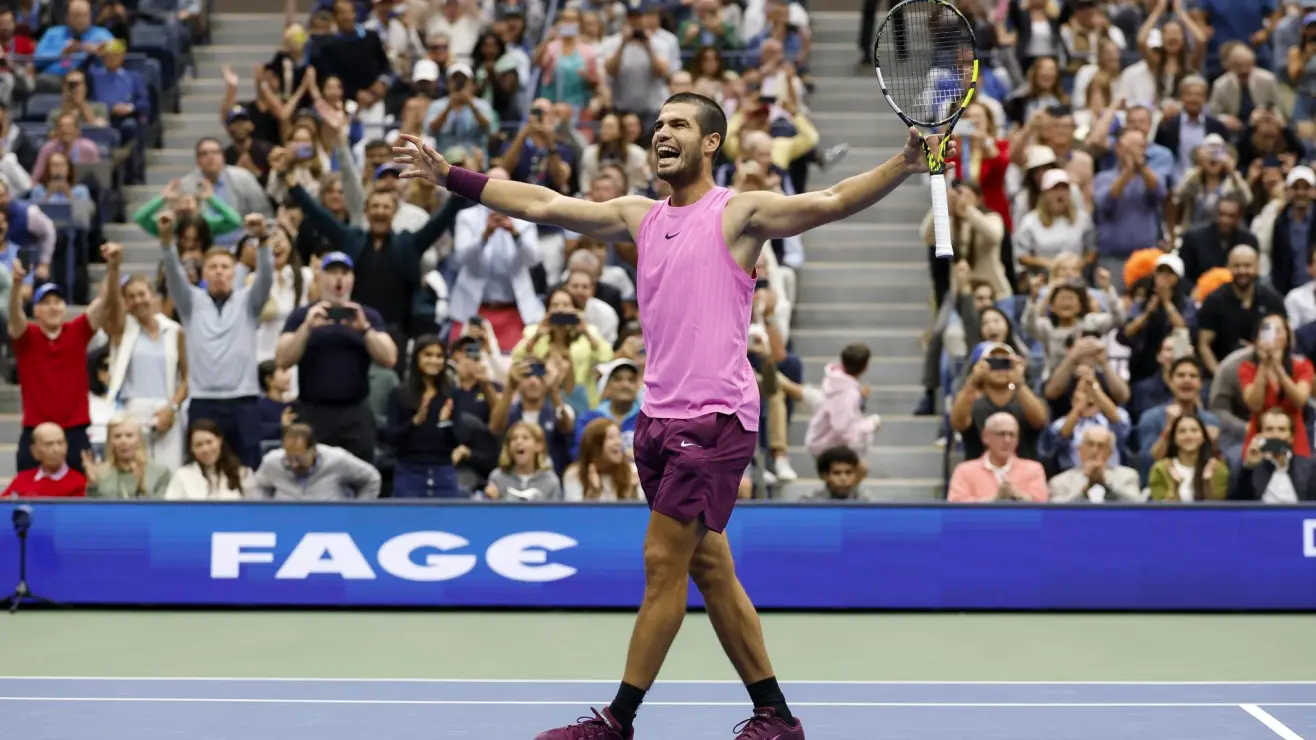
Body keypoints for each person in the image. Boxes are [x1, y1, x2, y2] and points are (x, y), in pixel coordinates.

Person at [393, 90, 953, 739]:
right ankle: (775, 715)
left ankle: (617, 720)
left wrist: (904, 163)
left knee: (663, 562)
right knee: (709, 567)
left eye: (679, 125)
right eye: (658, 123)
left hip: (714, 418)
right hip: (657, 422)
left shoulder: (739, 213)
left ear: (711, 142)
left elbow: (829, 202)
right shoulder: (639, 216)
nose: (663, 132)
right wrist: (453, 178)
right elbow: (543, 204)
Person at [164, 213, 274, 469]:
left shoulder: (249, 302)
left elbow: (266, 278)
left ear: (234, 272)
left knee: (248, 469)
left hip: (244, 399)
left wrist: (263, 240)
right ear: (204, 273)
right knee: (201, 471)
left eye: (225, 267)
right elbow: (172, 273)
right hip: (204, 400)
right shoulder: (190, 302)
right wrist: (167, 241)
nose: (219, 273)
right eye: (213, 267)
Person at [276, 251, 398, 463]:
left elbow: (389, 358)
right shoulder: (302, 315)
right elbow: (282, 360)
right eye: (332, 272)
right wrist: (306, 328)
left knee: (361, 478)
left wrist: (366, 330)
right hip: (313, 412)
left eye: (345, 273)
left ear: (352, 279)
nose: (339, 279)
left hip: (355, 412)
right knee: (312, 479)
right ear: (320, 277)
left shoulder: (366, 315)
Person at [8, 243, 119, 474]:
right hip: (36, 430)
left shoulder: (76, 331)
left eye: (57, 302)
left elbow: (103, 302)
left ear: (64, 308)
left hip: (75, 430)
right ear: (36, 311)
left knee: (80, 498)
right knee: (28, 495)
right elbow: (15, 316)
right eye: (45, 303)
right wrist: (17, 284)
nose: (52, 307)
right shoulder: (27, 335)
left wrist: (113, 267)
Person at [384, 334, 462, 498]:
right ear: (416, 358)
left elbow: (457, 440)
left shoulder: (450, 394)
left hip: (443, 471)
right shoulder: (399, 394)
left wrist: (445, 423)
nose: (434, 360)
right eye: (428, 355)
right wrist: (414, 421)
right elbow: (392, 438)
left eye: (439, 356)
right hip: (409, 471)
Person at [252, 423, 382, 500]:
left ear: (313, 449)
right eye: (289, 458)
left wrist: (358, 512)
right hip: (284, 522)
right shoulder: (272, 462)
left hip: (330, 524)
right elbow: (257, 486)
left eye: (299, 459)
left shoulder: (337, 459)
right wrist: (266, 513)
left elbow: (372, 479)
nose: (294, 464)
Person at [947, 412, 1049, 503]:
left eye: (1012, 435)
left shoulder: (1033, 469)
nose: (1007, 440)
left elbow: (1042, 507)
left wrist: (1016, 495)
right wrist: (993, 500)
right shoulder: (964, 471)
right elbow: (956, 507)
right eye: (1001, 434)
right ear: (985, 437)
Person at [804, 342, 881, 460]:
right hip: (828, 447)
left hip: (818, 440)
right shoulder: (849, 393)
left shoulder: (833, 381)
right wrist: (871, 425)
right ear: (865, 368)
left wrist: (861, 398)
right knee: (862, 469)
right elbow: (842, 429)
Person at [1232, 407, 1316, 503]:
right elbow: (1236, 507)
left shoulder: (1309, 468)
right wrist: (1248, 469)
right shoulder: (1249, 468)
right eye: (1269, 429)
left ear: (1291, 437)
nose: (1275, 435)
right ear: (1260, 435)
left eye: (1282, 429)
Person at [84, 413, 172, 499]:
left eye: (129, 436)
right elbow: (95, 511)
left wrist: (141, 488)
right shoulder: (100, 474)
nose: (123, 441)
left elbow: (159, 511)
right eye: (117, 436)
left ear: (139, 439)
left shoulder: (160, 473)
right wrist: (92, 485)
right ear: (110, 442)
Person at [1047, 426, 1142, 503]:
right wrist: (1084, 491)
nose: (1094, 451)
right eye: (1090, 444)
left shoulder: (1128, 475)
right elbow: (1056, 512)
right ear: (1080, 450)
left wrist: (1106, 485)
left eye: (1101, 446)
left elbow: (1137, 506)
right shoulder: (1060, 480)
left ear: (1110, 452)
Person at [1147, 414, 1229, 501]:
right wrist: (1174, 488)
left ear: (1203, 437)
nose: (1188, 436)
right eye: (1182, 431)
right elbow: (1160, 511)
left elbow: (1218, 510)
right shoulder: (1160, 469)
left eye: (1194, 430)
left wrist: (1207, 484)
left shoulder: (1217, 468)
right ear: (1174, 438)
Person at [165, 419, 254, 499]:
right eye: (198, 445)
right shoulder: (182, 476)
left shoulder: (243, 474)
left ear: (219, 441)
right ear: (191, 449)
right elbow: (170, 511)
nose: (205, 449)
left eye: (209, 442)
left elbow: (254, 512)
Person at [1, 422, 86, 497]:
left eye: (60, 443)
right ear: (34, 451)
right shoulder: (22, 479)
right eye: (48, 444)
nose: (56, 449)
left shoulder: (79, 482)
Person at [485, 420, 564, 501]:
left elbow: (555, 512)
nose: (519, 442)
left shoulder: (550, 481)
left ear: (539, 446)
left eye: (525, 438)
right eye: (514, 439)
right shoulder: (497, 477)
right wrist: (492, 499)